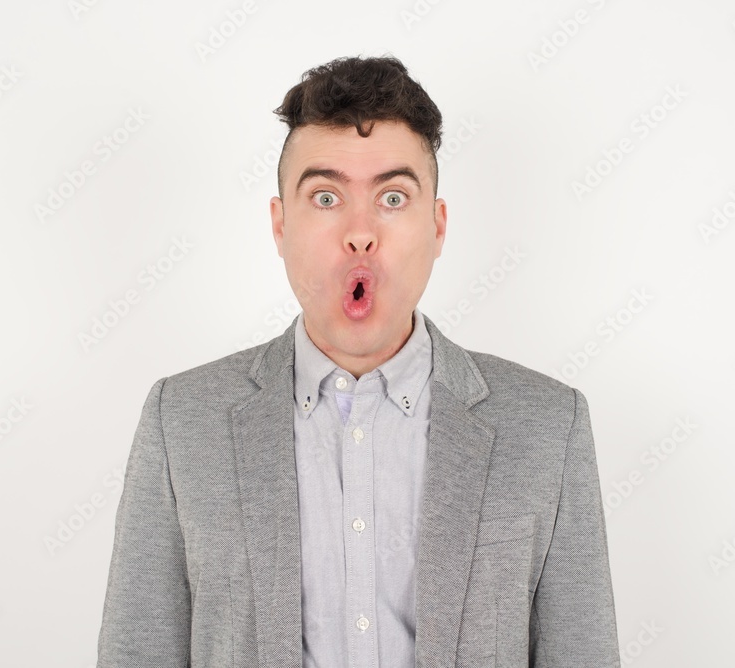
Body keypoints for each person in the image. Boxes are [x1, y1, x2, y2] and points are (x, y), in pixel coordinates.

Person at [96, 54, 620, 667]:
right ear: (280, 225)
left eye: (393, 197)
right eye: (325, 197)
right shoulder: (180, 419)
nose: (361, 233)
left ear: (438, 225)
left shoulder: (550, 426)